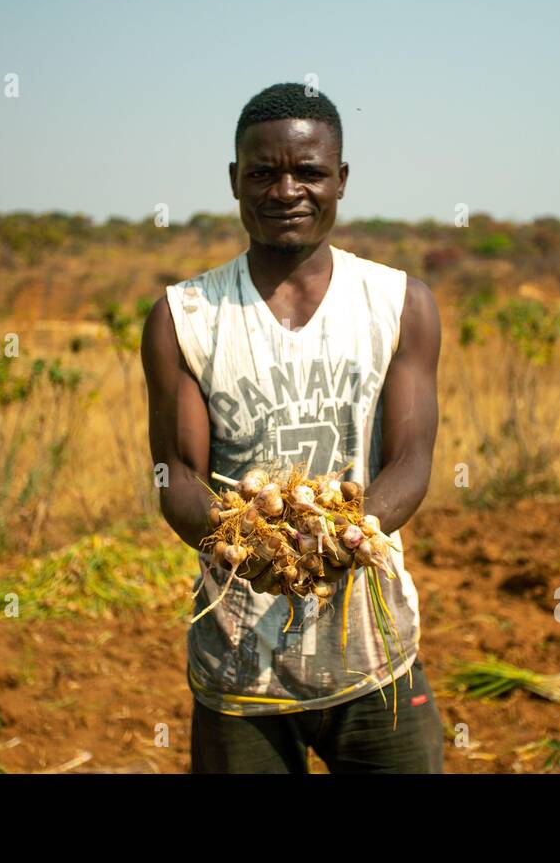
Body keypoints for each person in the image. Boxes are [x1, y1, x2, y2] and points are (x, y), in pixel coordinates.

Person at [139, 82, 443, 773]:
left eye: (307, 171)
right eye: (262, 173)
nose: (285, 190)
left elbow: (412, 459)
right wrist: (243, 544)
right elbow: (175, 473)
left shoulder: (399, 304)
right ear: (233, 181)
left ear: (340, 179)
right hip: (239, 656)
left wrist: (348, 534)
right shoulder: (184, 315)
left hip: (371, 651)